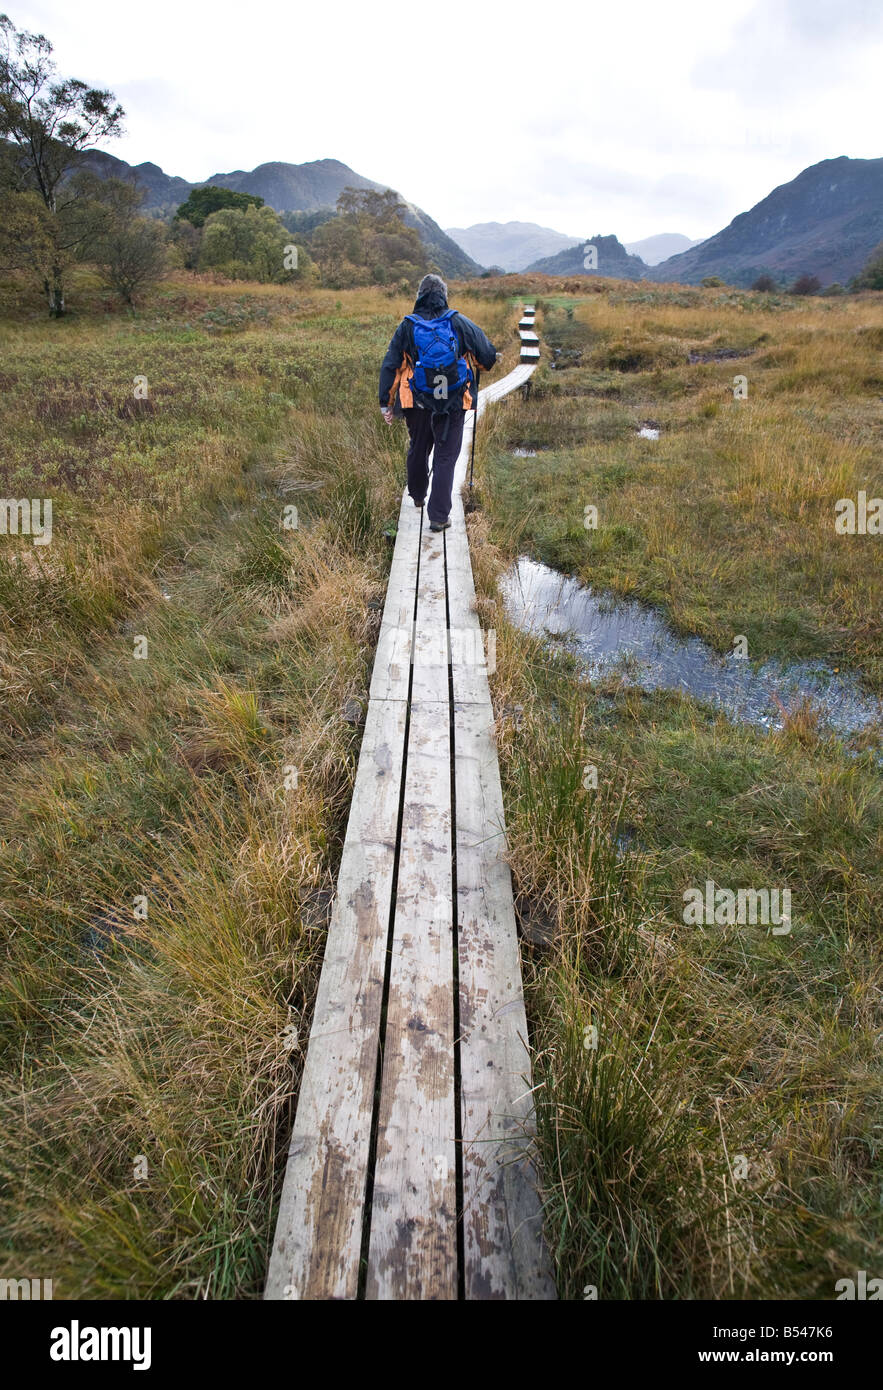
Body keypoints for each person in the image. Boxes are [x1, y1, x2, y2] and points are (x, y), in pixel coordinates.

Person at [378, 274, 500, 532]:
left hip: (417, 398)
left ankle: (418, 496)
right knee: (445, 456)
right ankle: (439, 516)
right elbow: (487, 357)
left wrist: (385, 403)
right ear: (444, 295)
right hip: (452, 399)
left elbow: (391, 365)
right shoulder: (458, 322)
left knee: (418, 447)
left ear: (419, 295)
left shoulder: (408, 326)